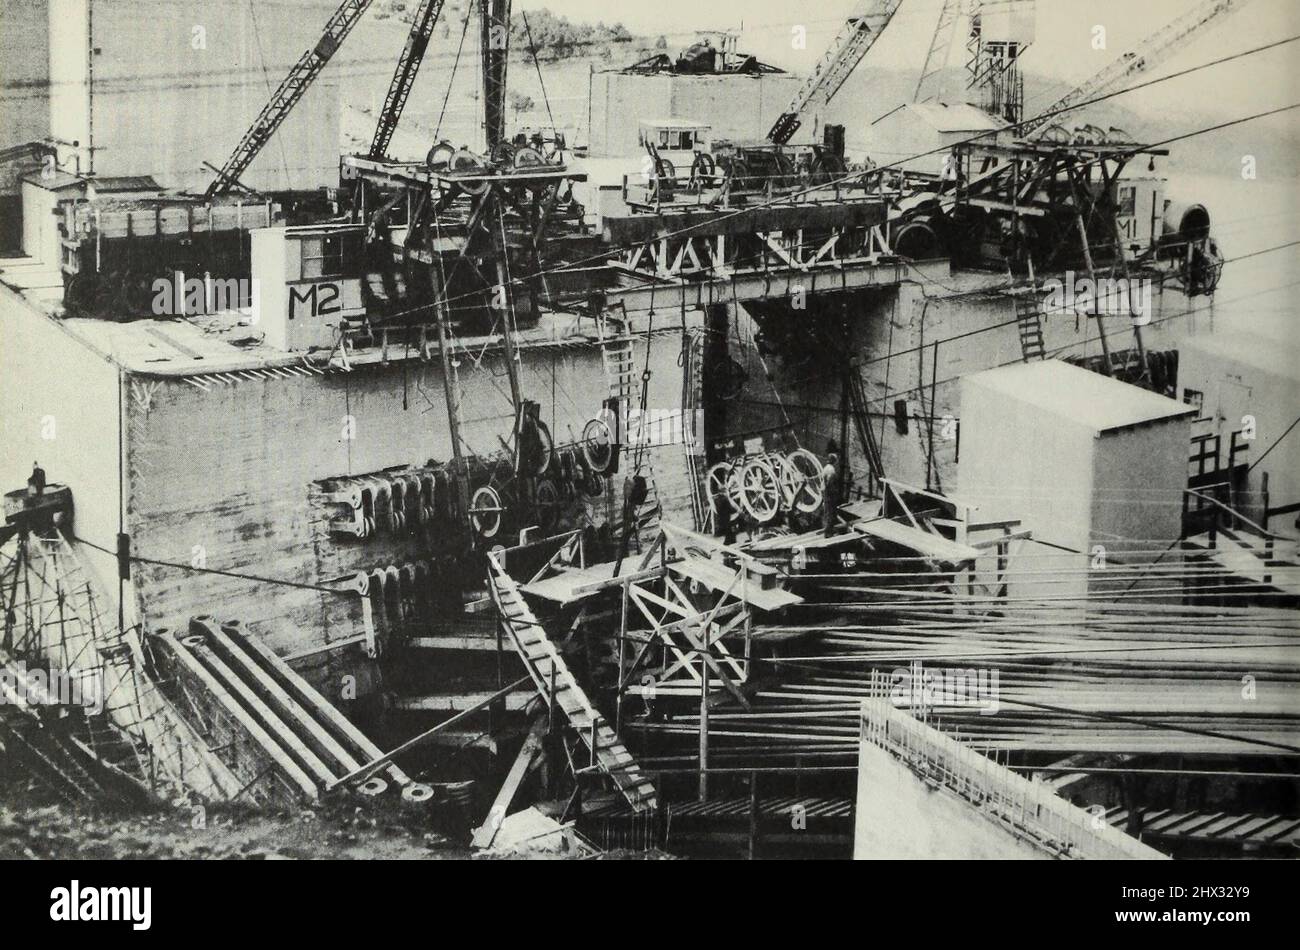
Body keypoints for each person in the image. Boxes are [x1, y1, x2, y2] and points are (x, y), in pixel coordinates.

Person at [821, 452, 840, 538]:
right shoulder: (831, 470)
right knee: (830, 512)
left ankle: (828, 531)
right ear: (833, 461)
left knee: (827, 512)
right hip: (829, 493)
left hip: (825, 492)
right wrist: (833, 491)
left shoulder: (826, 468)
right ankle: (828, 533)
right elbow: (829, 483)